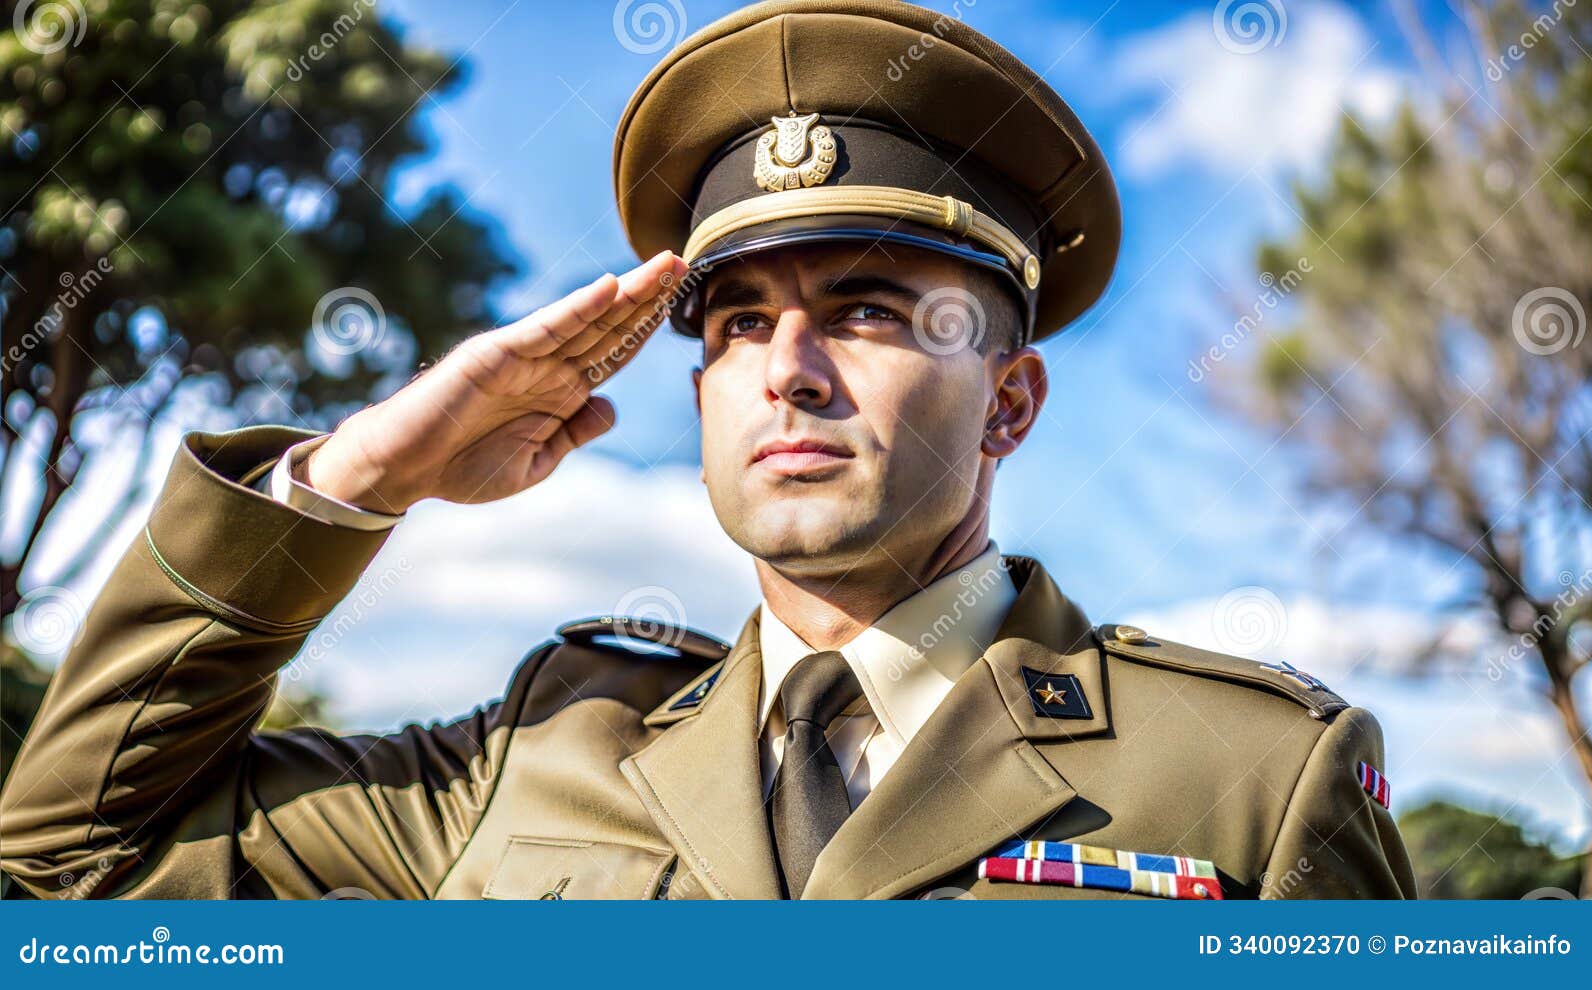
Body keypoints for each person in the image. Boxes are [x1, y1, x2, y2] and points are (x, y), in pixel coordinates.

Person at [0, 0, 1414, 900]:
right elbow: (72, 861)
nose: (784, 371)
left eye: (863, 309)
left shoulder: (1248, 778)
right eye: (734, 323)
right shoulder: (550, 738)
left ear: (1011, 400)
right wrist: (360, 476)